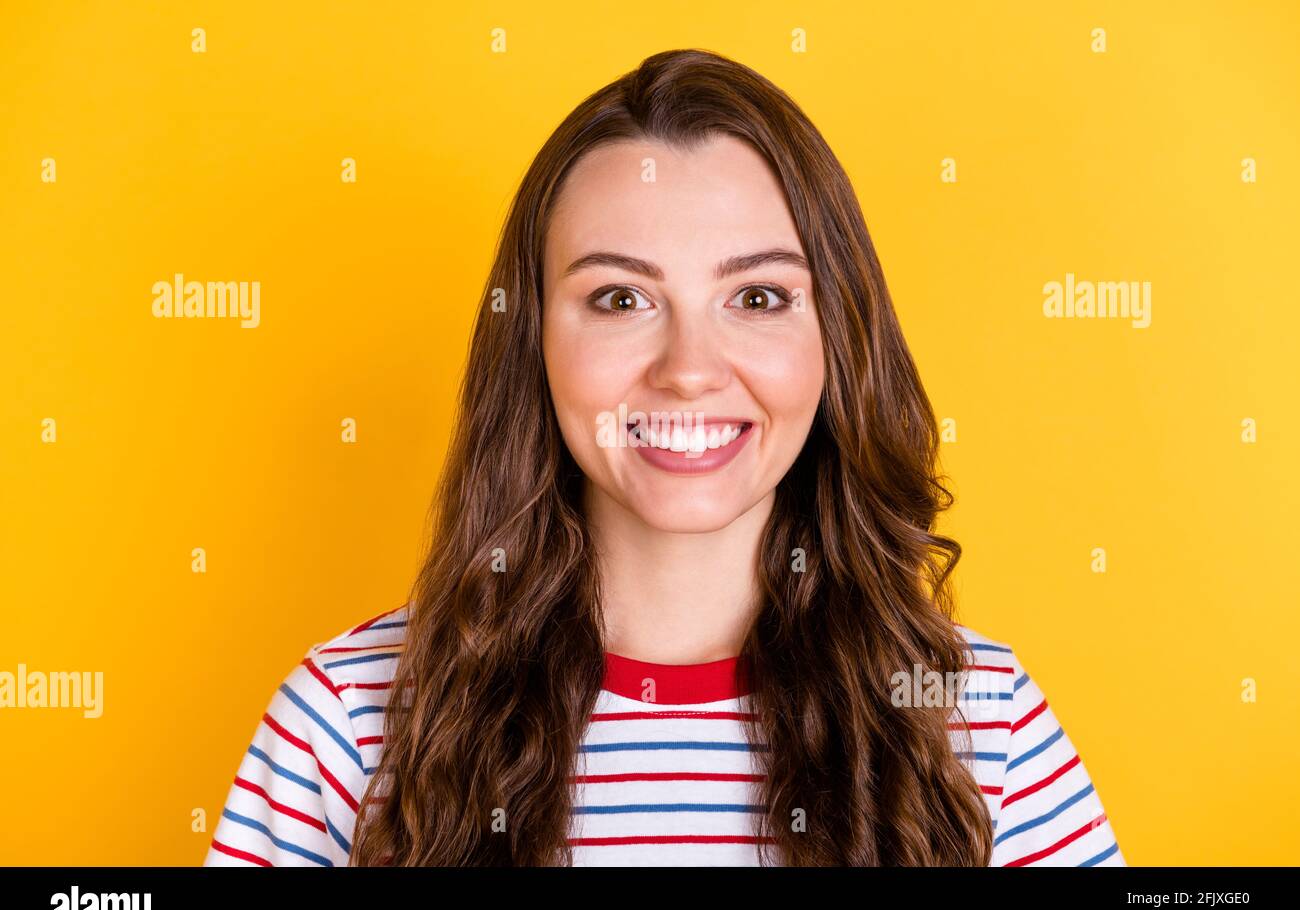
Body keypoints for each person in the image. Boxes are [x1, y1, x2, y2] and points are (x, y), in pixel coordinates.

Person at [205, 48, 1124, 867]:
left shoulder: (983, 726)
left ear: (837, 337)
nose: (689, 371)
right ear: (531, 341)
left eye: (758, 298)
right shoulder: (347, 722)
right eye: (619, 299)